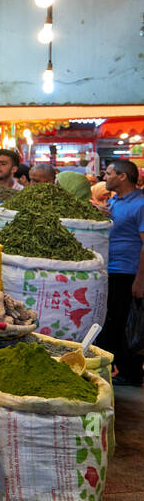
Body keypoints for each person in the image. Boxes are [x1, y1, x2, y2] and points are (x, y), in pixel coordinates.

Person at [103, 159, 144, 386]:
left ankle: (132, 373)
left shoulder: (140, 204)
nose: (105, 177)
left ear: (122, 177)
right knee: (112, 322)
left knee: (124, 324)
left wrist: (140, 280)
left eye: (109, 173)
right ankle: (119, 369)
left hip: (127, 273)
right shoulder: (115, 201)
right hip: (111, 270)